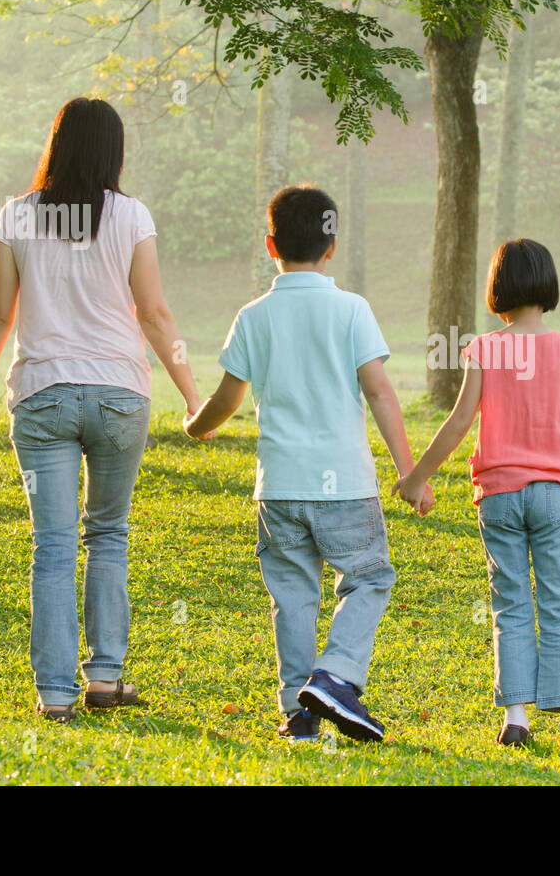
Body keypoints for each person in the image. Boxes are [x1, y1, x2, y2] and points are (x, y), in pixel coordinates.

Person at [0, 97, 202, 724]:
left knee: (53, 545)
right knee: (109, 534)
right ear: (112, 151)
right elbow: (154, 313)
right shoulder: (130, 216)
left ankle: (56, 693)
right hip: (121, 398)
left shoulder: (14, 215)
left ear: (57, 144)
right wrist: (191, 390)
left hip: (41, 397)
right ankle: (104, 678)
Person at [183, 184, 424, 745]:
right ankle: (336, 674)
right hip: (346, 485)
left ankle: (300, 714)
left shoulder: (254, 315)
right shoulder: (351, 309)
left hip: (280, 487)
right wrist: (408, 470)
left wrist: (198, 425)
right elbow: (381, 393)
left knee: (292, 595)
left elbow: (227, 397)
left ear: (271, 244)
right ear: (331, 245)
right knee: (368, 577)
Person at [395, 239, 560, 753]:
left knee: (509, 605)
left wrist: (417, 477)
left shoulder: (485, 348)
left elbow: (461, 421)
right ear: (547, 287)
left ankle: (516, 718)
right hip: (555, 495)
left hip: (500, 495)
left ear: (498, 289)